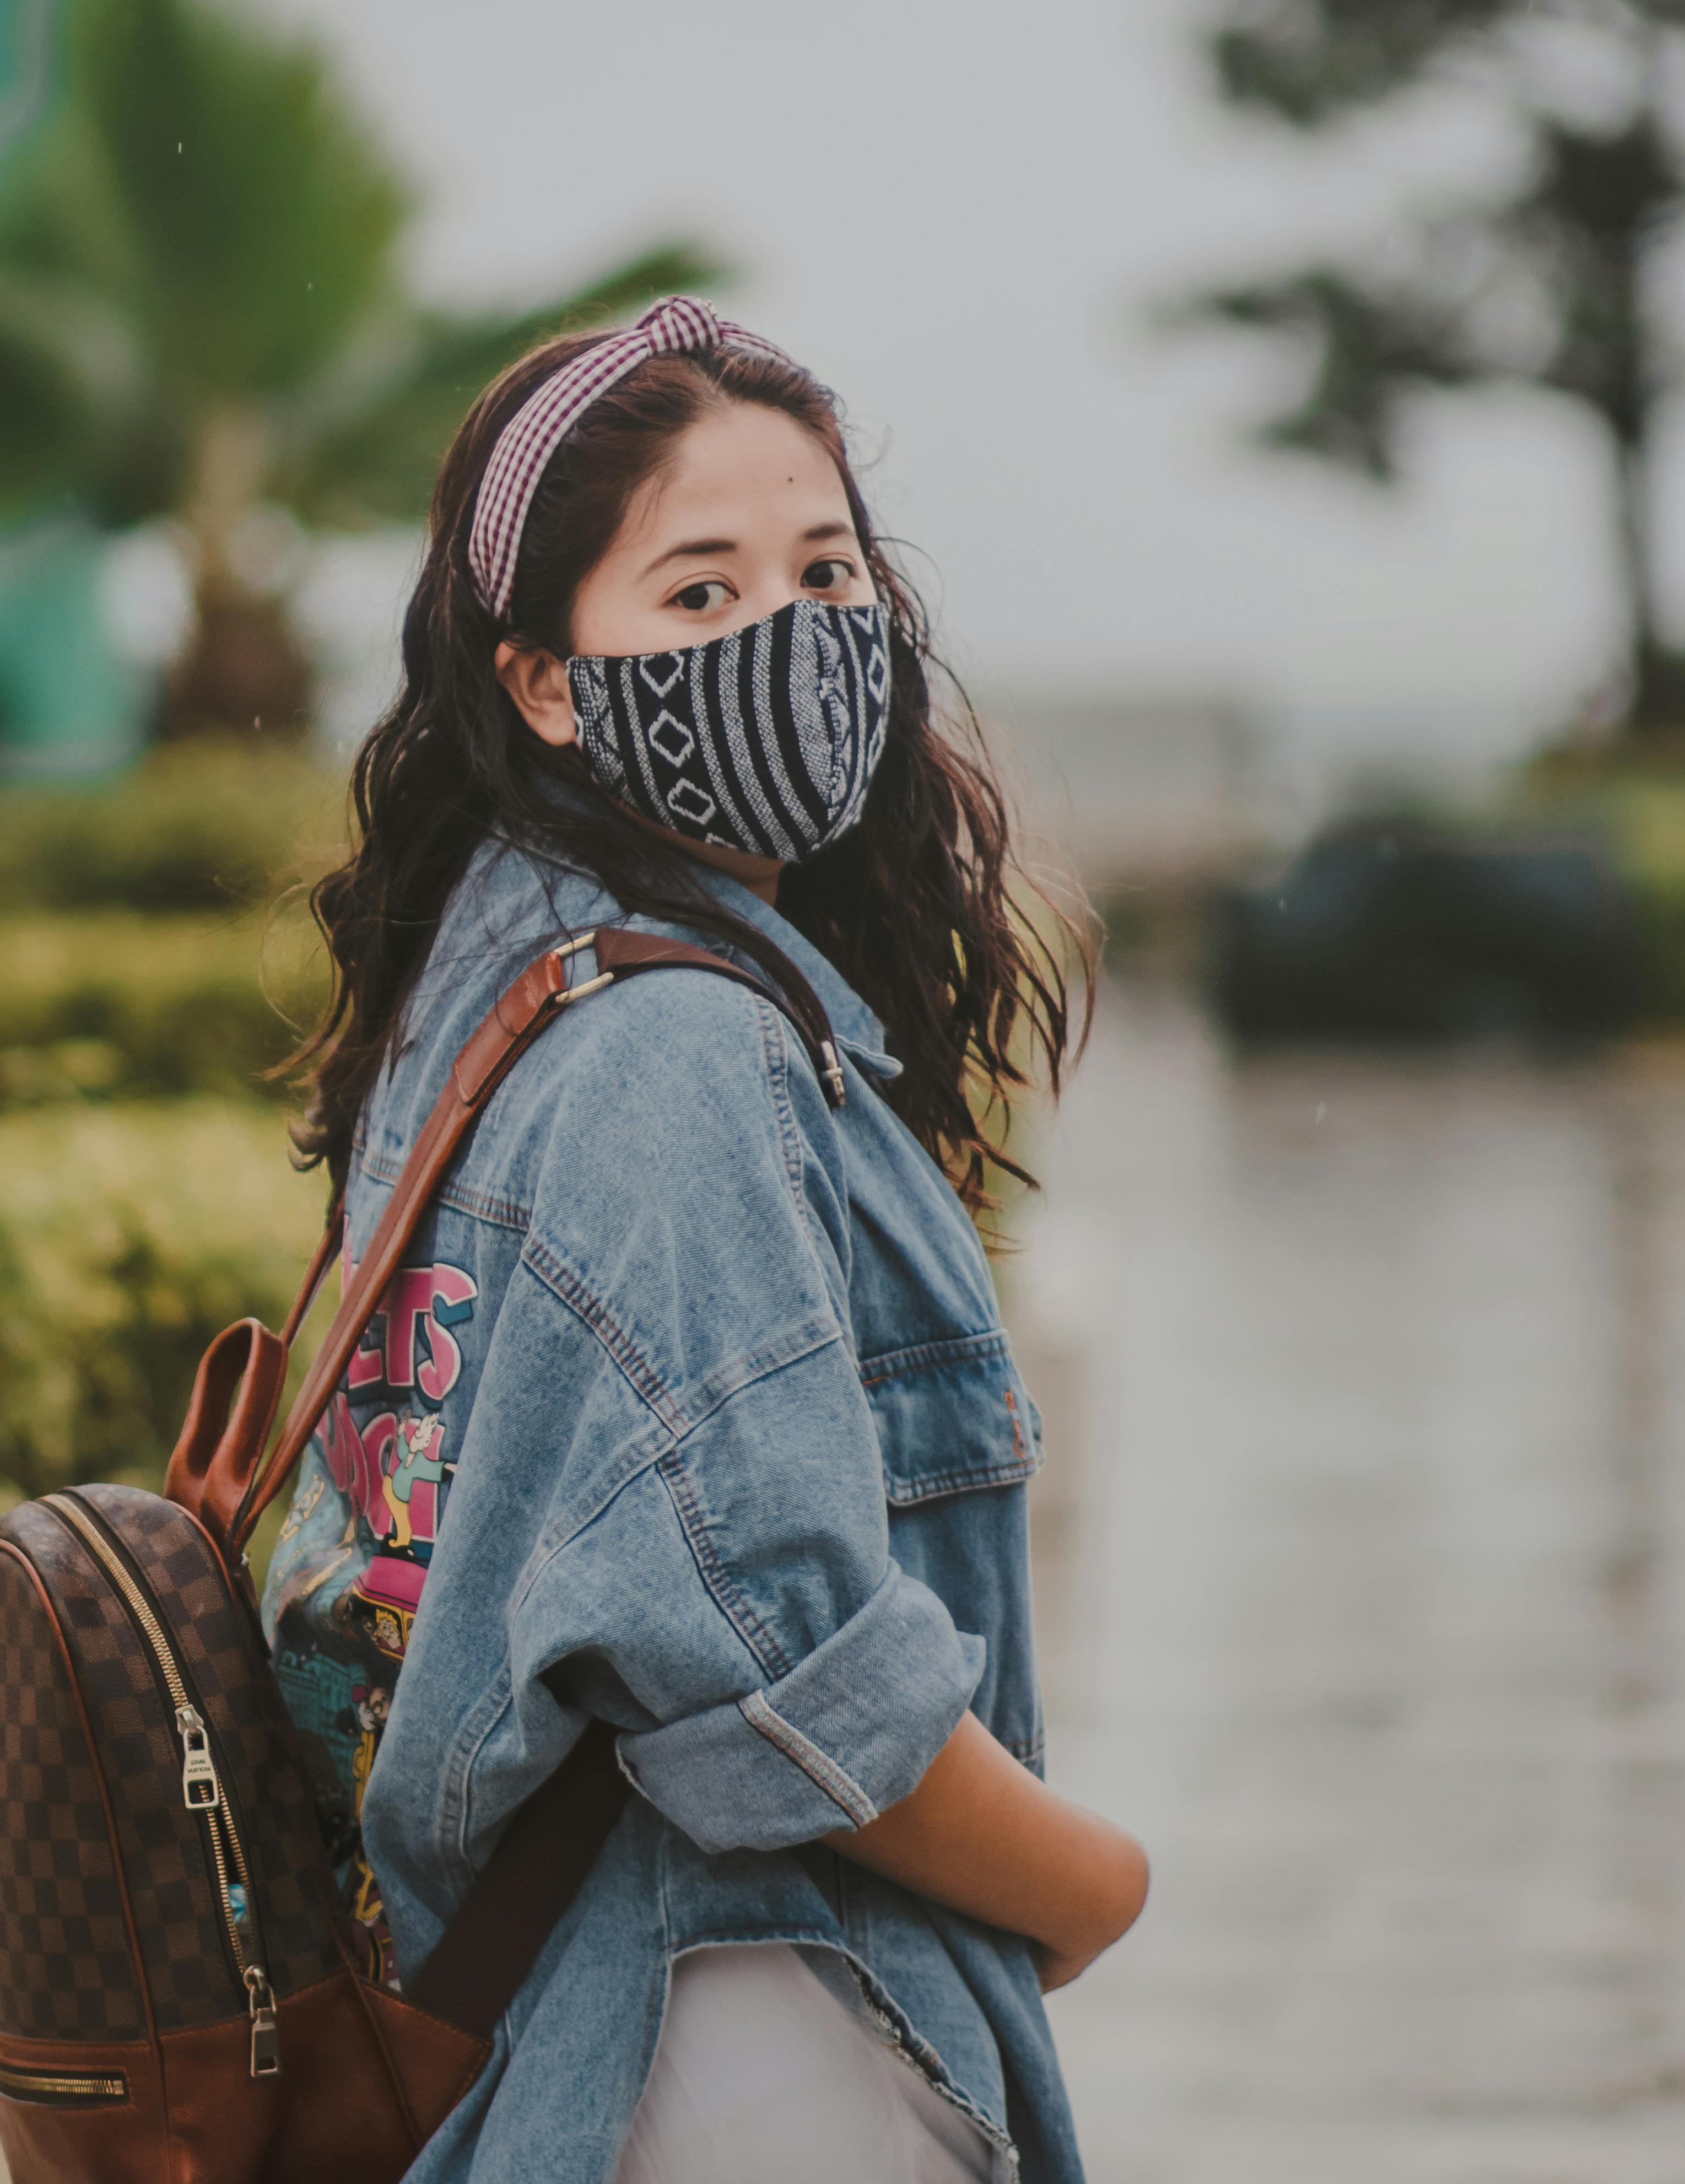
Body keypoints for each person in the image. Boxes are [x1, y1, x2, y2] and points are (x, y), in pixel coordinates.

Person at [264, 297, 1147, 2184]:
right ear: (543, 681)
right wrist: (1092, 1884)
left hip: (608, 2021)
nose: (791, 637)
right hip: (741, 2028)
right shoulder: (675, 1047)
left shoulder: (503, 973)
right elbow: (775, 1667)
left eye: (827, 574)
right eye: (698, 592)